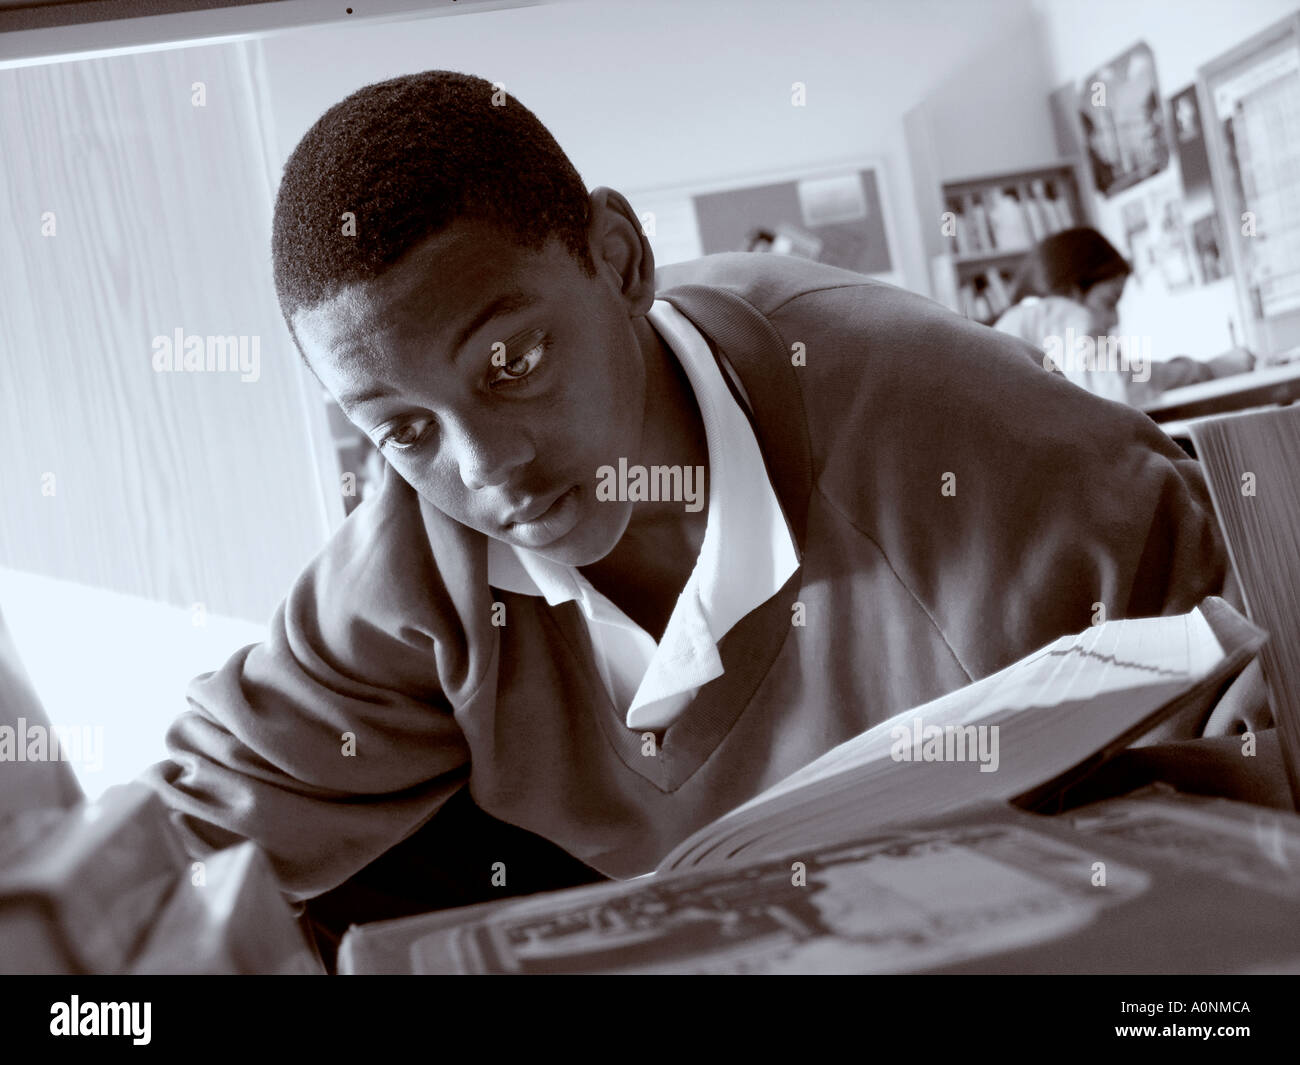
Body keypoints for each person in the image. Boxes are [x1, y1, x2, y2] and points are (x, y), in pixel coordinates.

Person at [141, 72, 1270, 944]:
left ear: (618, 259)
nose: (486, 468)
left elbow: (1245, 699)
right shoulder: (412, 561)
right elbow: (174, 849)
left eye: (512, 360)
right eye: (402, 426)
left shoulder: (955, 429)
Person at [992, 227, 1253, 407]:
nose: (1115, 319)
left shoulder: (1015, 324)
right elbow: (1119, 386)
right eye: (1109, 301)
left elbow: (1122, 375)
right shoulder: (1055, 310)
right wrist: (1208, 370)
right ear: (1072, 290)